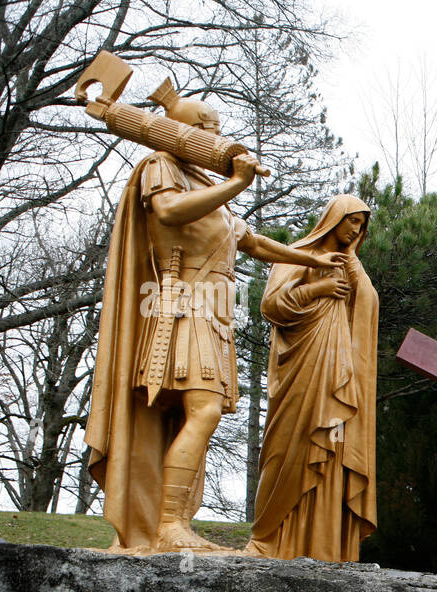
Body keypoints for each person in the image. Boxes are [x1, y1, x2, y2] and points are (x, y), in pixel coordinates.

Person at [85, 90, 345, 554]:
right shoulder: (160, 167)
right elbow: (167, 212)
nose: (217, 139)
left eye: (218, 131)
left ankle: (176, 522)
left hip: (214, 313)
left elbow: (257, 244)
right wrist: (236, 185)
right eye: (207, 131)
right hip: (180, 305)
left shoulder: (205, 185)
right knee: (201, 410)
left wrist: (315, 260)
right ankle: (167, 526)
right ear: (182, 132)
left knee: (198, 415)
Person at [246, 195, 377, 561]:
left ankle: (326, 546)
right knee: (290, 446)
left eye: (362, 225)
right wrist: (318, 288)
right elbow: (272, 305)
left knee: (332, 448)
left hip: (338, 372)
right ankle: (270, 538)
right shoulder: (298, 253)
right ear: (333, 218)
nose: (357, 230)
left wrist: (352, 267)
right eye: (352, 220)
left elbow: (367, 305)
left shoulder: (352, 264)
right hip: (302, 367)